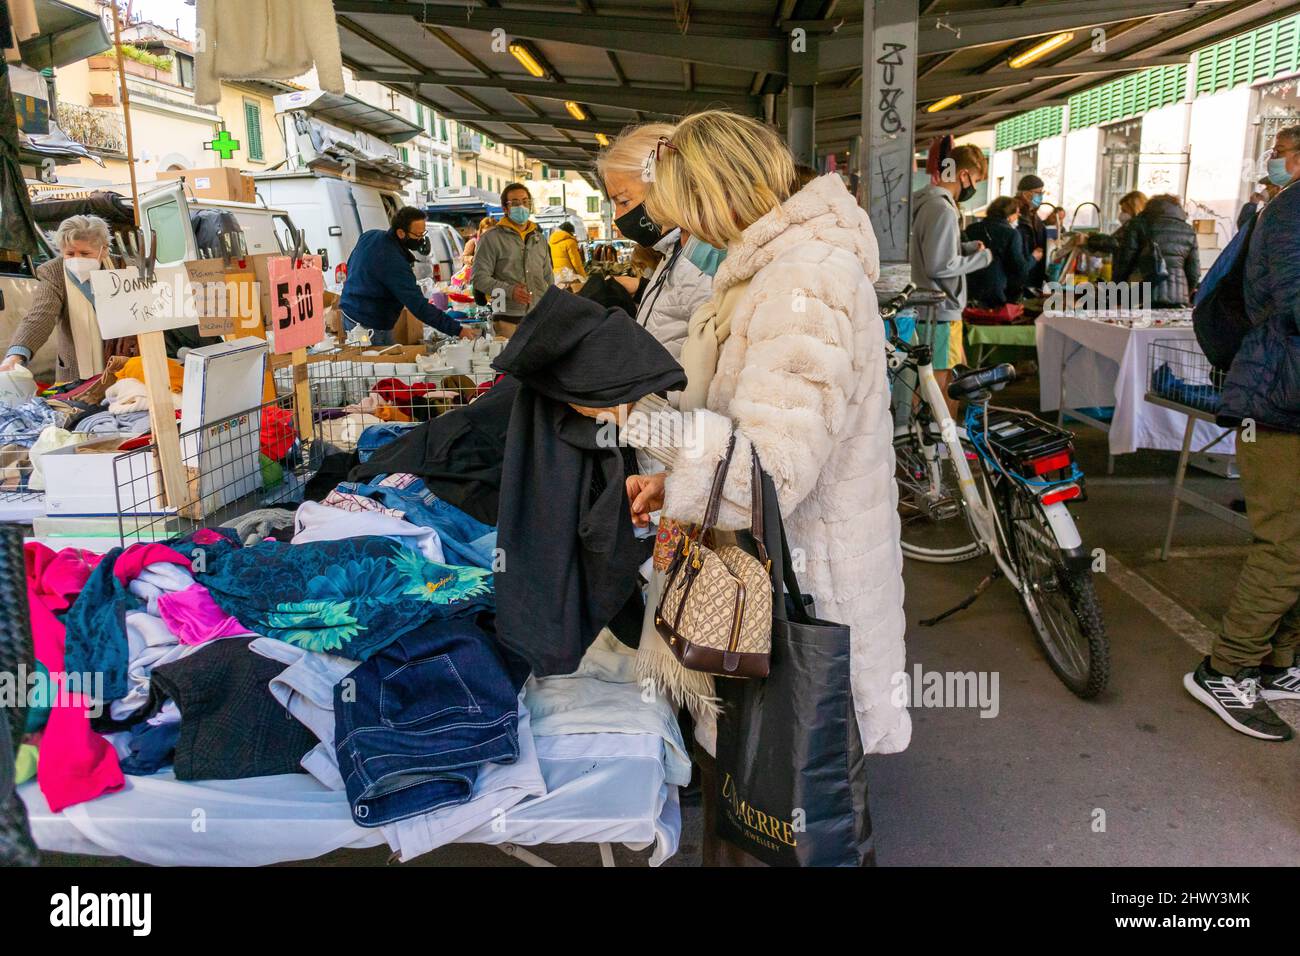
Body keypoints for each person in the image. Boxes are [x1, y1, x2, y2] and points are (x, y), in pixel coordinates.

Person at [618, 110, 910, 768]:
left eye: (685, 214)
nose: (687, 235)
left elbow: (769, 470)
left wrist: (637, 424)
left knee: (799, 786)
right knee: (788, 778)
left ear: (713, 196)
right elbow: (754, 437)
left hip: (803, 582)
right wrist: (672, 474)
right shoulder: (777, 271)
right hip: (790, 569)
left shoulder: (802, 281)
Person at [1185, 126, 1300, 741]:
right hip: (1278, 396)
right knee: (1286, 547)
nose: (1279, 163)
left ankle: (1282, 663)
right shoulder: (1291, 212)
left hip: (1284, 394)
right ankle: (1226, 668)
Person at [597, 121, 715, 362]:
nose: (618, 217)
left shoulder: (700, 261)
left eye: (624, 202)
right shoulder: (674, 253)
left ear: (665, 185)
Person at [910, 141, 992, 391]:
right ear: (963, 174)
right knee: (942, 391)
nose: (974, 188)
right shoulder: (942, 210)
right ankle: (940, 431)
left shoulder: (923, 202)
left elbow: (926, 251)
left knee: (925, 387)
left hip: (923, 309)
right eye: (976, 180)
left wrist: (963, 249)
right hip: (940, 312)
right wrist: (983, 258)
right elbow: (939, 266)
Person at [1, 215, 114, 381]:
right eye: (70, 253)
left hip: (122, 363)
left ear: (103, 250)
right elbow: (40, 317)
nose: (77, 259)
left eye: (85, 253)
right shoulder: (54, 272)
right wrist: (16, 355)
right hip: (77, 372)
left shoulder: (123, 268)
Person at [338, 206, 471, 346]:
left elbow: (352, 265)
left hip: (353, 312)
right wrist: (458, 330)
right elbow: (418, 306)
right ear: (401, 233)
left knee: (385, 359)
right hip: (368, 324)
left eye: (423, 234)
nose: (421, 240)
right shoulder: (393, 261)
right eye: (418, 236)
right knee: (377, 365)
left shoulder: (370, 235)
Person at [471, 182, 552, 318]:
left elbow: (548, 277)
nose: (521, 207)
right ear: (505, 208)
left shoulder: (540, 239)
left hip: (538, 315)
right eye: (515, 203)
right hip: (505, 316)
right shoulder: (490, 238)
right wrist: (509, 291)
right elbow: (479, 279)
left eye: (525, 202)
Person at [1111, 193, 1200, 308]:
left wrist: (1116, 293)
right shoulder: (1188, 230)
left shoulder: (1138, 225)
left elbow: (1124, 264)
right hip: (1177, 301)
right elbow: (1194, 273)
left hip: (1140, 297)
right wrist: (1183, 293)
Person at [965, 196, 1040, 308]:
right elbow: (1020, 269)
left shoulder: (971, 229)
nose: (1019, 216)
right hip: (996, 295)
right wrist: (1034, 258)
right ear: (1009, 216)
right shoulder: (1012, 234)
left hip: (969, 292)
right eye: (1017, 213)